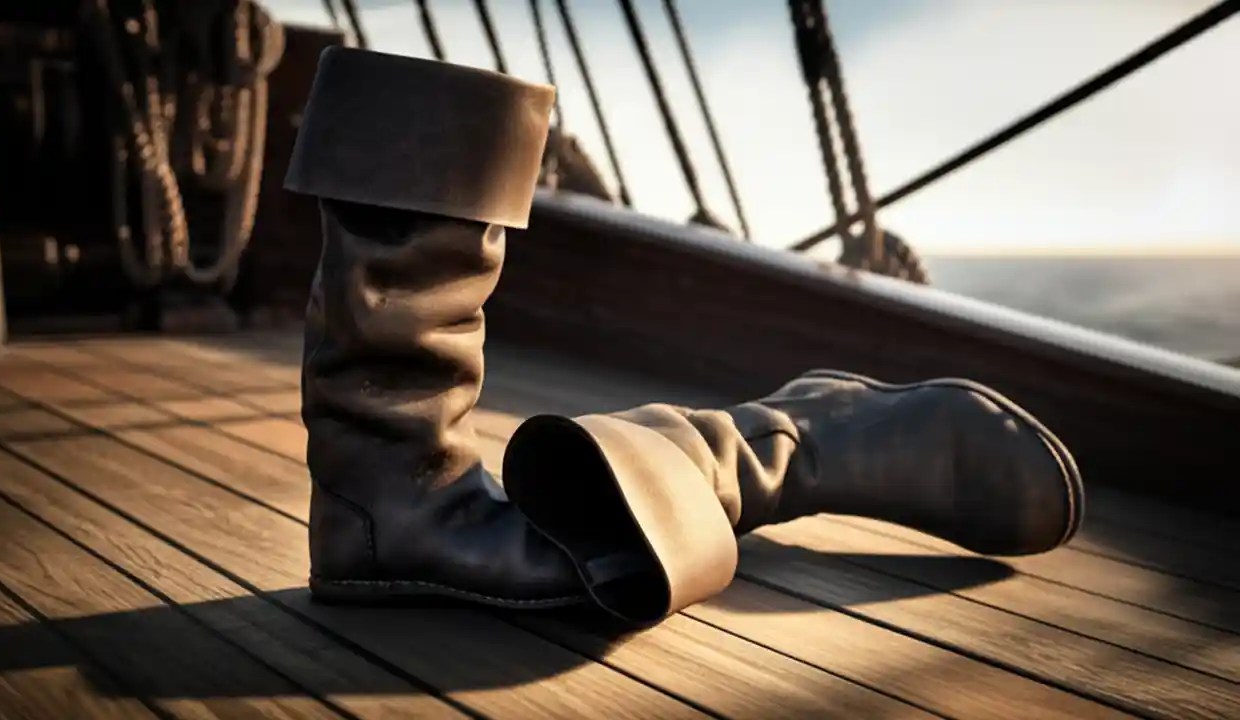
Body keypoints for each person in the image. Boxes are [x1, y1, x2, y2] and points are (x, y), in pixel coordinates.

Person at [286, 47, 1083, 626]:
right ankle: (780, 443)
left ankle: (778, 444)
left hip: (395, 527)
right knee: (615, 527)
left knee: (611, 519)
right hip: (405, 523)